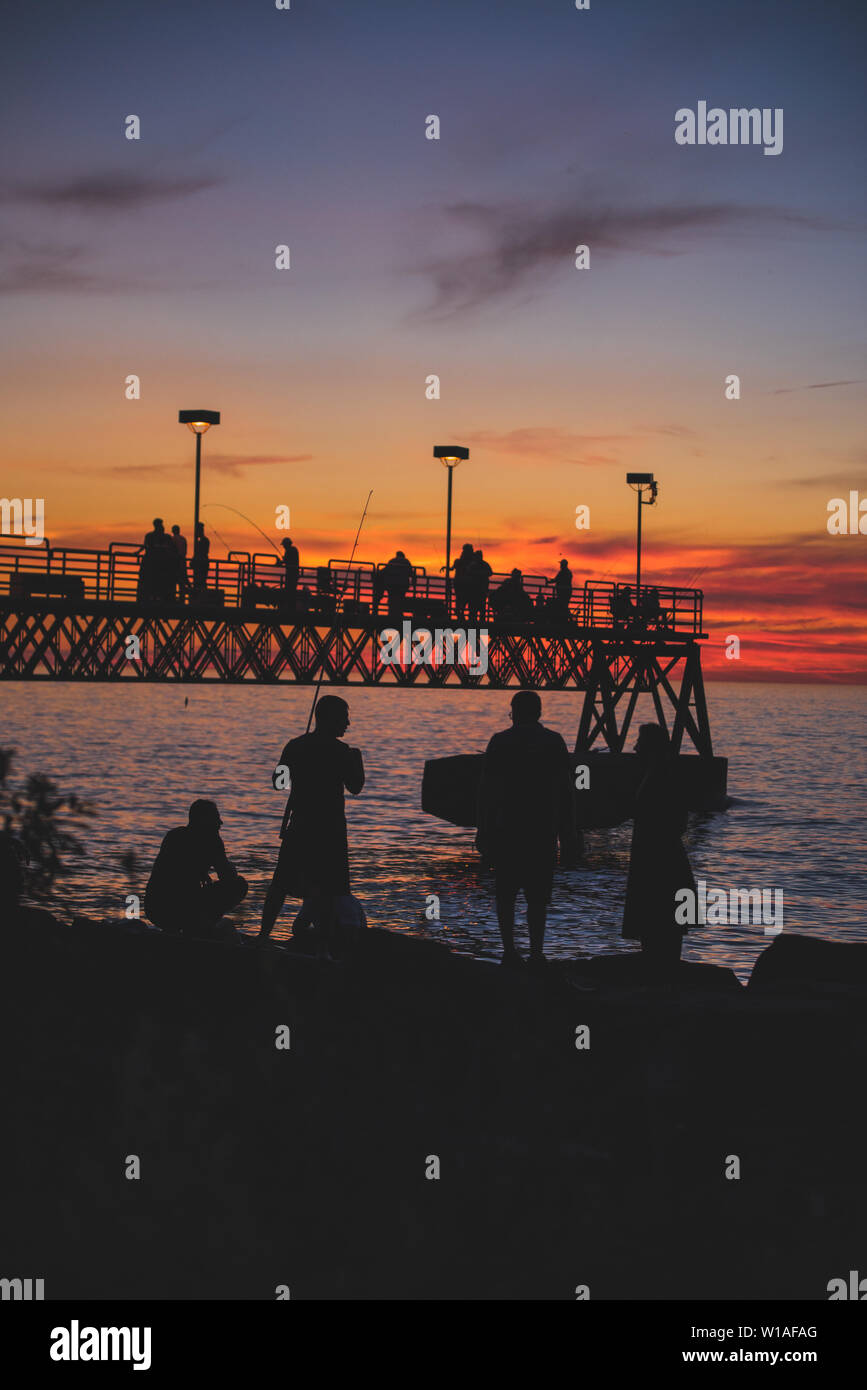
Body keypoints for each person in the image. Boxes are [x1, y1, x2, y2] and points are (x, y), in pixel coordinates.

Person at [477, 690, 579, 969]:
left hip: (506, 829)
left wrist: (482, 830)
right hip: (542, 830)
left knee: (505, 895)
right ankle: (536, 953)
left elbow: (487, 790)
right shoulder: (553, 741)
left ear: (514, 711)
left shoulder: (500, 741)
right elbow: (566, 789)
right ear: (539, 712)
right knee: (537, 897)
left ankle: (509, 951)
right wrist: (568, 832)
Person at [259, 695, 365, 955]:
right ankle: (324, 948)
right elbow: (356, 787)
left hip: (301, 826)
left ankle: (262, 936)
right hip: (330, 832)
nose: (348, 723)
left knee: (281, 883)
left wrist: (295, 762)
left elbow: (278, 782)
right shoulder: (342, 752)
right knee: (329, 889)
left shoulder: (296, 746)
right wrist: (357, 758)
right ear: (329, 718)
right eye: (343, 718)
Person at [622, 723, 695, 973]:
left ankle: (661, 974)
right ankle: (662, 972)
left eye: (640, 742)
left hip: (658, 858)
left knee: (657, 915)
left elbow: (676, 820)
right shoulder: (658, 772)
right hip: (658, 855)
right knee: (660, 918)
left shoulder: (662, 775)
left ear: (651, 746)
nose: (634, 747)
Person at [144, 799, 248, 940]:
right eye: (216, 818)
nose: (220, 823)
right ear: (203, 820)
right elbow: (227, 877)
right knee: (239, 885)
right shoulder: (212, 841)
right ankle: (201, 927)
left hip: (154, 909)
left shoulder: (174, 835)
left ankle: (195, 926)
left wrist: (200, 873)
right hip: (179, 908)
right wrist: (229, 867)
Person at [445, 543, 474, 620]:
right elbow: (452, 568)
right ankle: (460, 614)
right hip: (463, 584)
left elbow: (451, 568)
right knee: (462, 600)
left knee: (462, 600)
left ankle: (460, 614)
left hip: (464, 584)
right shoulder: (464, 561)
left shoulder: (460, 561)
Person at [381, 550, 413, 620]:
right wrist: (413, 583)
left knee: (392, 599)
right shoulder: (406, 562)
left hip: (391, 585)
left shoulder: (392, 561)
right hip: (402, 585)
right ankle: (399, 614)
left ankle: (391, 615)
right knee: (400, 599)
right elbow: (411, 573)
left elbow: (384, 571)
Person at [467, 549, 492, 623]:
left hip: (479, 591)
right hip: (475, 591)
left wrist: (480, 574)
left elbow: (490, 573)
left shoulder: (480, 565)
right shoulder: (475, 565)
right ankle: (477, 625)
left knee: (478, 609)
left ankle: (477, 625)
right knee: (475, 610)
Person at [171, 525, 188, 598]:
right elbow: (185, 551)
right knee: (182, 581)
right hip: (182, 561)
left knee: (174, 580)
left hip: (175, 562)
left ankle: (174, 597)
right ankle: (182, 597)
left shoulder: (172, 539)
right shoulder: (183, 539)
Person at [192, 522, 210, 594]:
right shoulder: (203, 540)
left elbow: (202, 552)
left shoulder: (204, 541)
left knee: (201, 580)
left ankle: (201, 595)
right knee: (200, 581)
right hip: (202, 563)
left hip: (202, 563)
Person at [281, 537, 300, 602]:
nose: (283, 546)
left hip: (291, 573)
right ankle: (291, 602)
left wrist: (282, 561)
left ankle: (289, 602)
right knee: (293, 589)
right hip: (295, 573)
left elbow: (286, 561)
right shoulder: (294, 549)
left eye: (284, 545)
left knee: (289, 589)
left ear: (286, 544)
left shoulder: (288, 550)